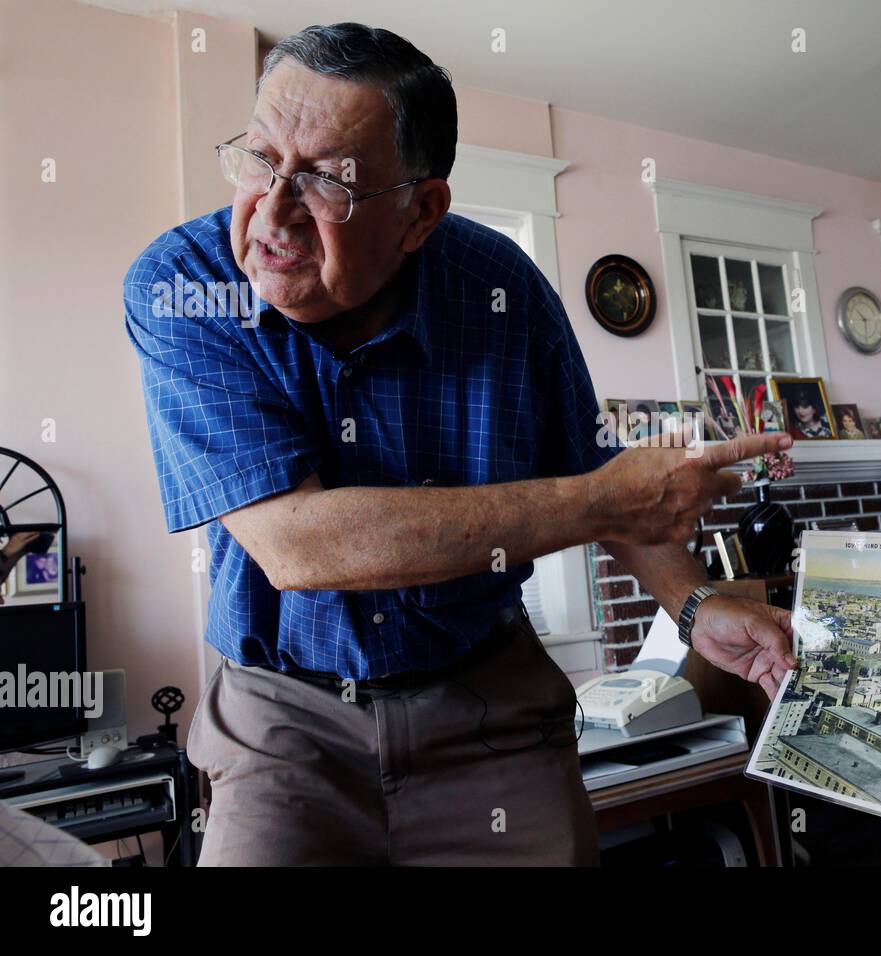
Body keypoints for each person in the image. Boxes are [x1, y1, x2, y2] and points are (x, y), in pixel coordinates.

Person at [123, 23, 795, 866]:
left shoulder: (502, 287)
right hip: (283, 722)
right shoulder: (184, 286)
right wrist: (602, 500)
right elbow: (297, 544)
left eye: (328, 181)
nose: (273, 213)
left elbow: (592, 466)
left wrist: (695, 604)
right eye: (259, 159)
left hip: (489, 709)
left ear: (420, 211)